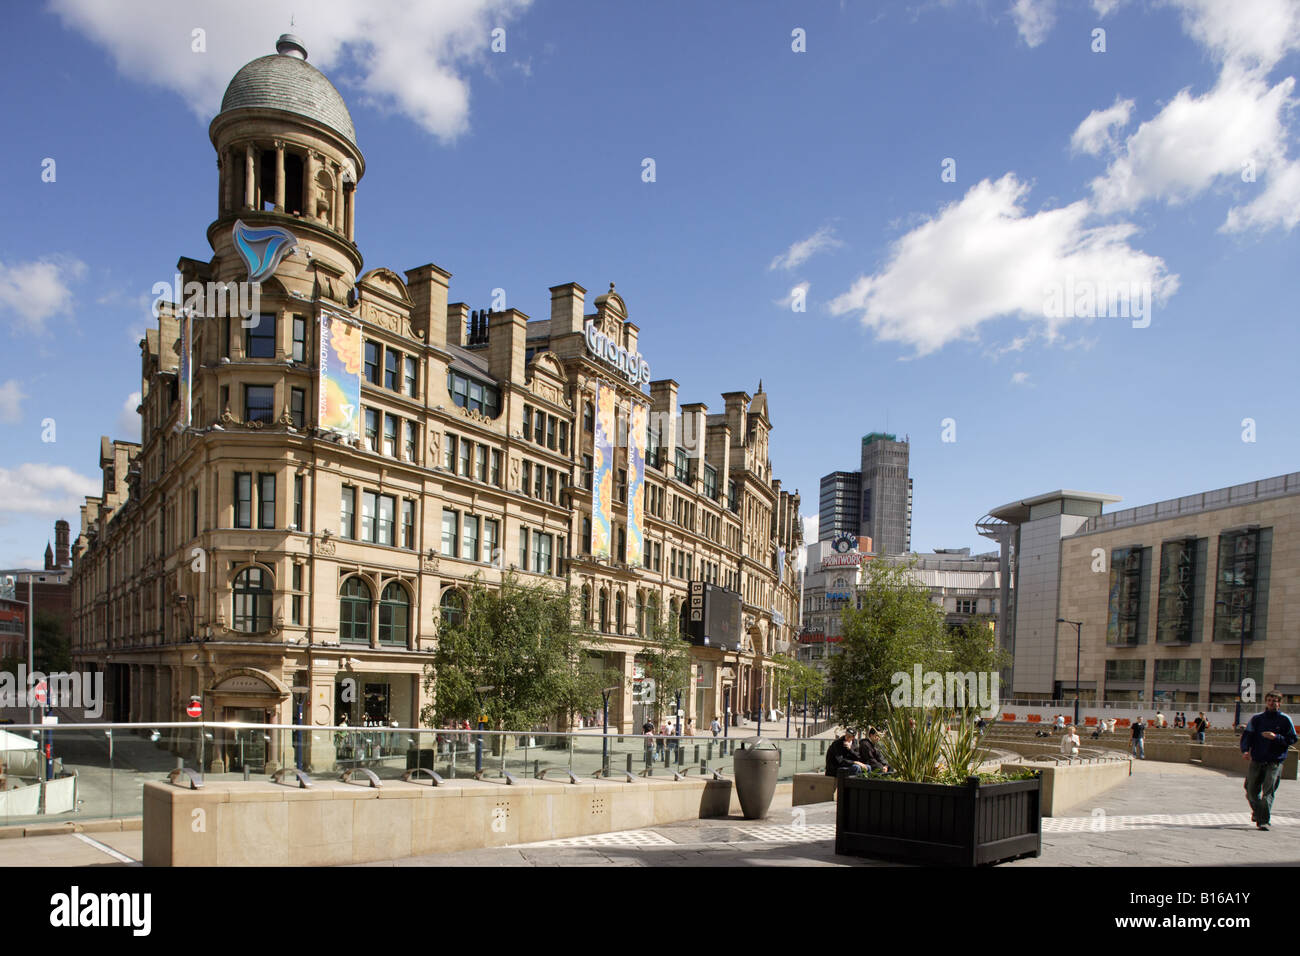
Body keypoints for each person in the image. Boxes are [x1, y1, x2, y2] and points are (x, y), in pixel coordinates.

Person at [1240, 692, 1297, 830]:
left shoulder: (1285, 720)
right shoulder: (1257, 719)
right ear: (1266, 702)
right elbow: (1247, 735)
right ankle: (1258, 812)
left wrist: (1276, 737)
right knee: (1251, 790)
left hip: (1274, 762)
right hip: (1257, 760)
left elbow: (1292, 739)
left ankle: (1263, 820)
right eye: (1270, 700)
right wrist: (1245, 750)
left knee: (1268, 791)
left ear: (1279, 703)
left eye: (1275, 701)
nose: (1272, 703)